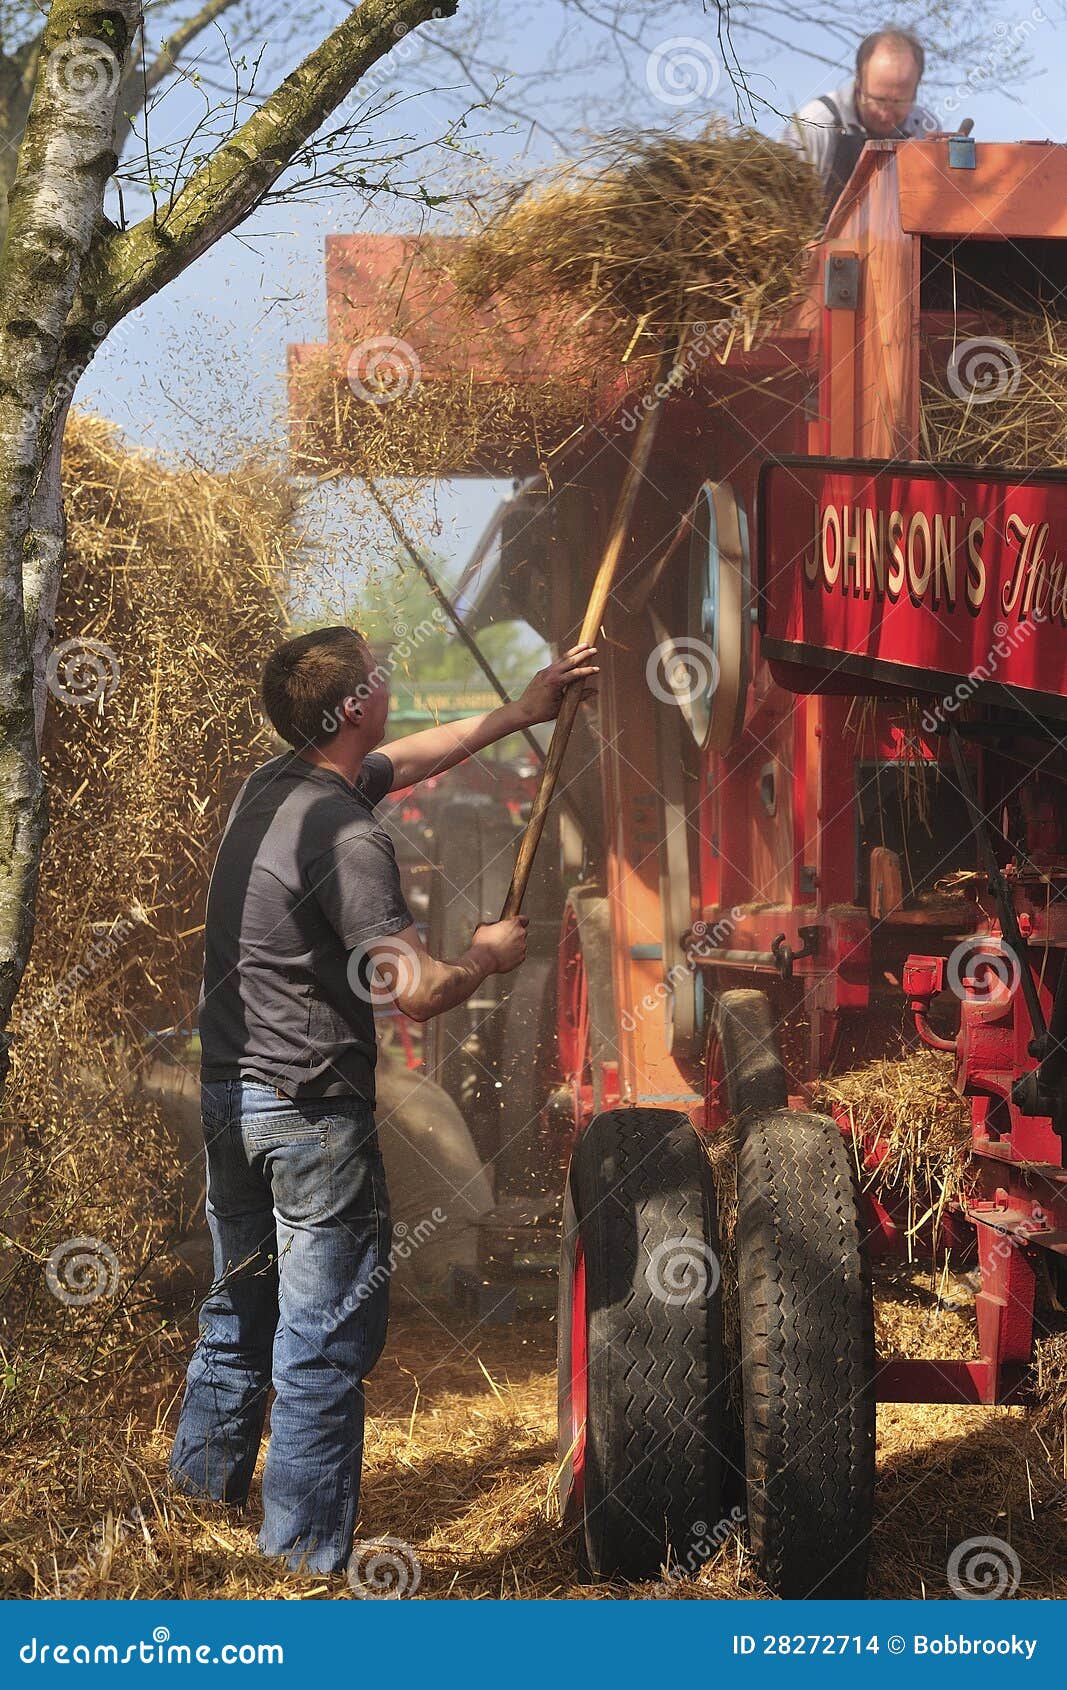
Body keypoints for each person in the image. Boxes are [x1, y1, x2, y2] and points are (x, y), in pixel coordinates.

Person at [168, 625, 598, 1574]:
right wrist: (483, 957)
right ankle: (300, 1562)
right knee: (320, 1343)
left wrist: (518, 713)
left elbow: (398, 761)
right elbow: (414, 989)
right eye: (379, 674)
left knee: (236, 1314)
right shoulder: (353, 842)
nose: (388, 684)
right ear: (354, 703)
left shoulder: (274, 788)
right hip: (309, 1112)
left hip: (230, 1096)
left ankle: (193, 1523)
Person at [786, 28, 939, 208]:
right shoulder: (813, 125)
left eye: (898, 102)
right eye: (878, 100)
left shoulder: (925, 130)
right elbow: (786, 209)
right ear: (859, 82)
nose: (886, 115)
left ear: (915, 92)